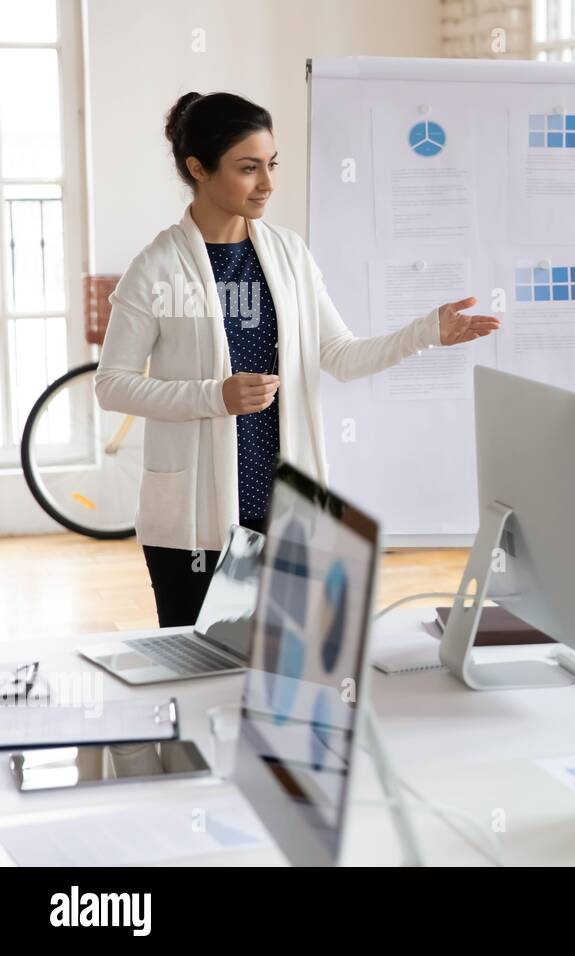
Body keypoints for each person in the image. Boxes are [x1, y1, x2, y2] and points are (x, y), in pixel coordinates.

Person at [95, 92, 500, 626]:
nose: (267, 183)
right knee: (202, 674)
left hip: (286, 512)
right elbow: (112, 385)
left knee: (287, 677)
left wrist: (426, 332)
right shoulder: (155, 267)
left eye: (271, 164)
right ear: (199, 169)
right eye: (248, 168)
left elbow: (341, 355)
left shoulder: (288, 254)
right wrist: (213, 396)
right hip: (197, 523)